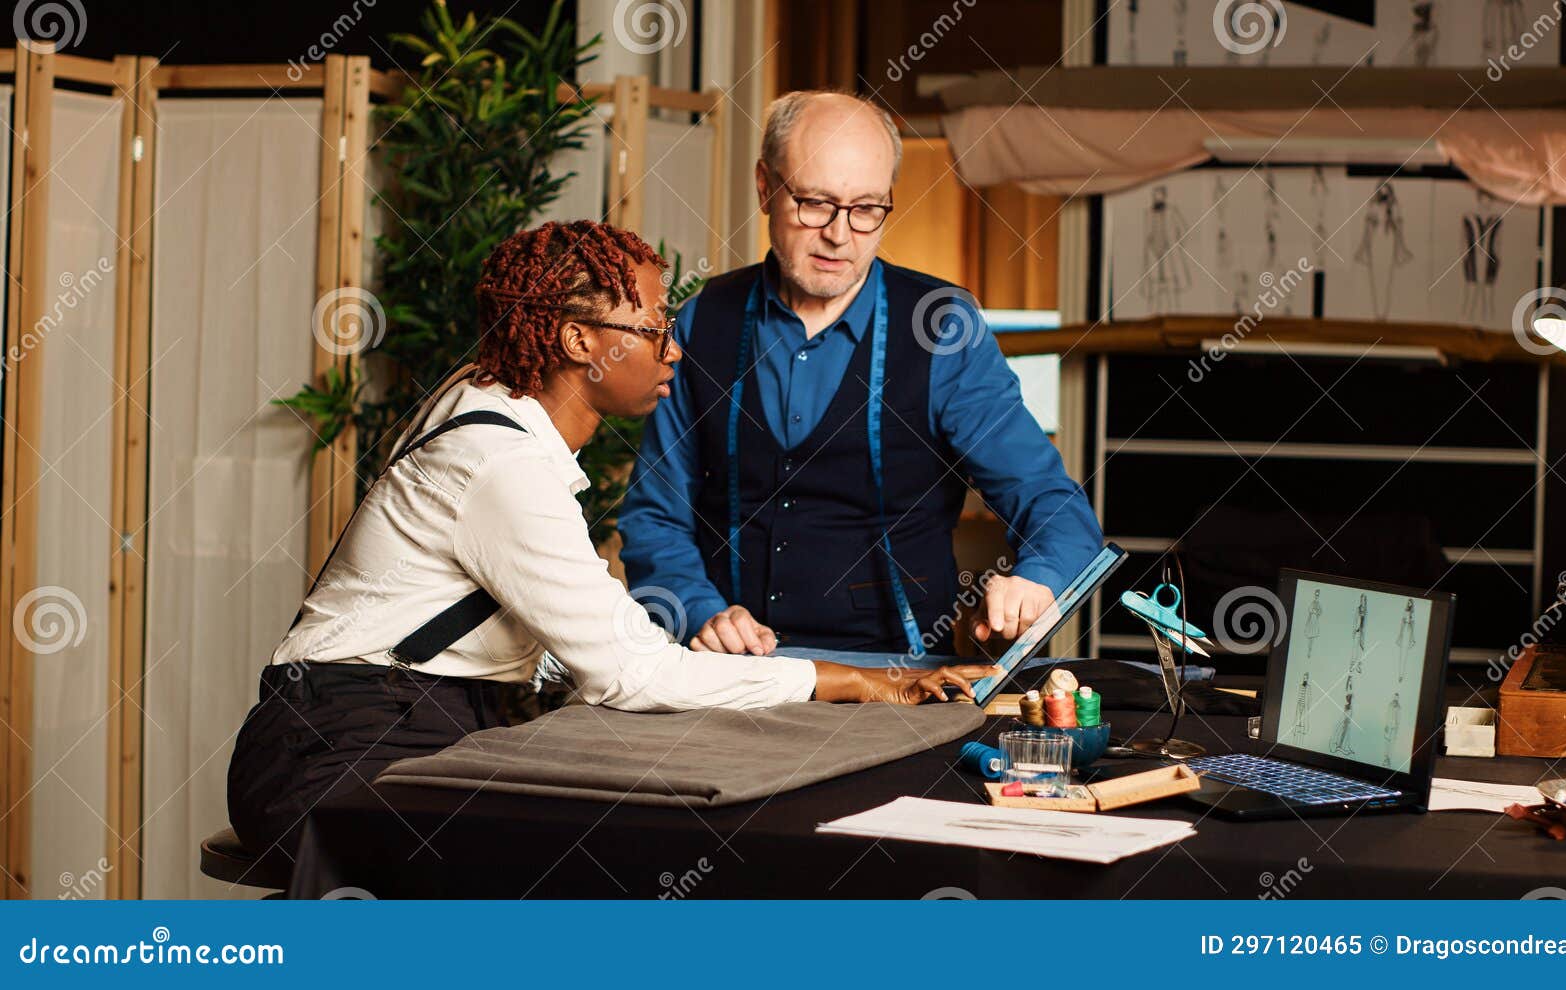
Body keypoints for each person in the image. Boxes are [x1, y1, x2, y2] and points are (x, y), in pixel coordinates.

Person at [226, 220, 999, 863]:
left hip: (420, 725)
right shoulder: (502, 462)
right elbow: (629, 673)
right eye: (653, 327)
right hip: (342, 755)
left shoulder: (494, 406)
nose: (674, 348)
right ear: (576, 341)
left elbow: (594, 650)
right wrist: (857, 682)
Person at [618, 90, 1103, 659]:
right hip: (734, 673)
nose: (840, 235)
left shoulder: (940, 328)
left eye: (868, 208)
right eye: (816, 203)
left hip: (897, 677)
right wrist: (700, 611)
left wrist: (1037, 582)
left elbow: (1052, 503)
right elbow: (656, 512)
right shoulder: (707, 317)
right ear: (765, 186)